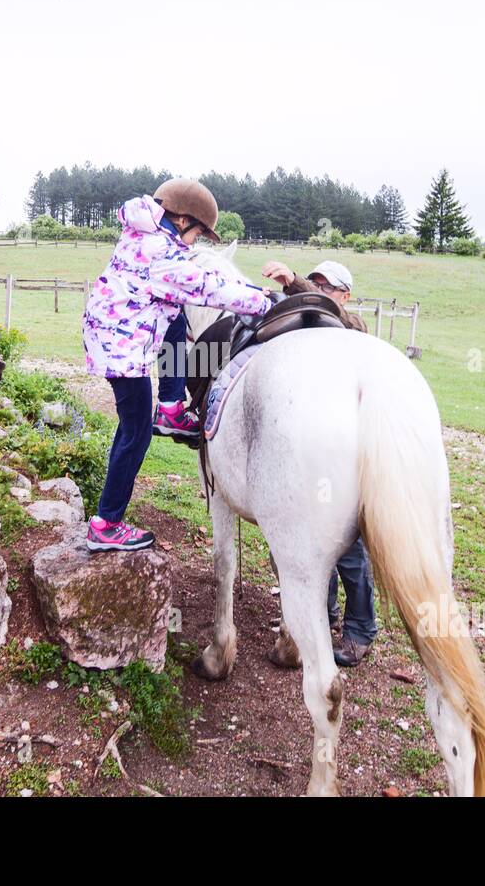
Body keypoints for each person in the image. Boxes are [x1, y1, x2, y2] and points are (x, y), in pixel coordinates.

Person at [82, 179, 271, 553]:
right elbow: (205, 288)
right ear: (182, 220)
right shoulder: (161, 254)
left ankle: (170, 407)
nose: (196, 242)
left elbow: (189, 286)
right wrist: (263, 303)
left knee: (177, 320)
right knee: (135, 432)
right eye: (199, 233)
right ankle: (107, 523)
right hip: (121, 347)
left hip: (112, 330)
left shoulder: (146, 234)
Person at [261, 257, 376, 667]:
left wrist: (294, 282)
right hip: (312, 450)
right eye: (316, 285)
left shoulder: (352, 326)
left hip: (345, 455)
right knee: (315, 539)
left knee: (350, 548)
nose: (320, 294)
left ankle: (361, 630)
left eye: (328, 288)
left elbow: (329, 311)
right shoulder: (305, 327)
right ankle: (323, 617)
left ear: (344, 295)